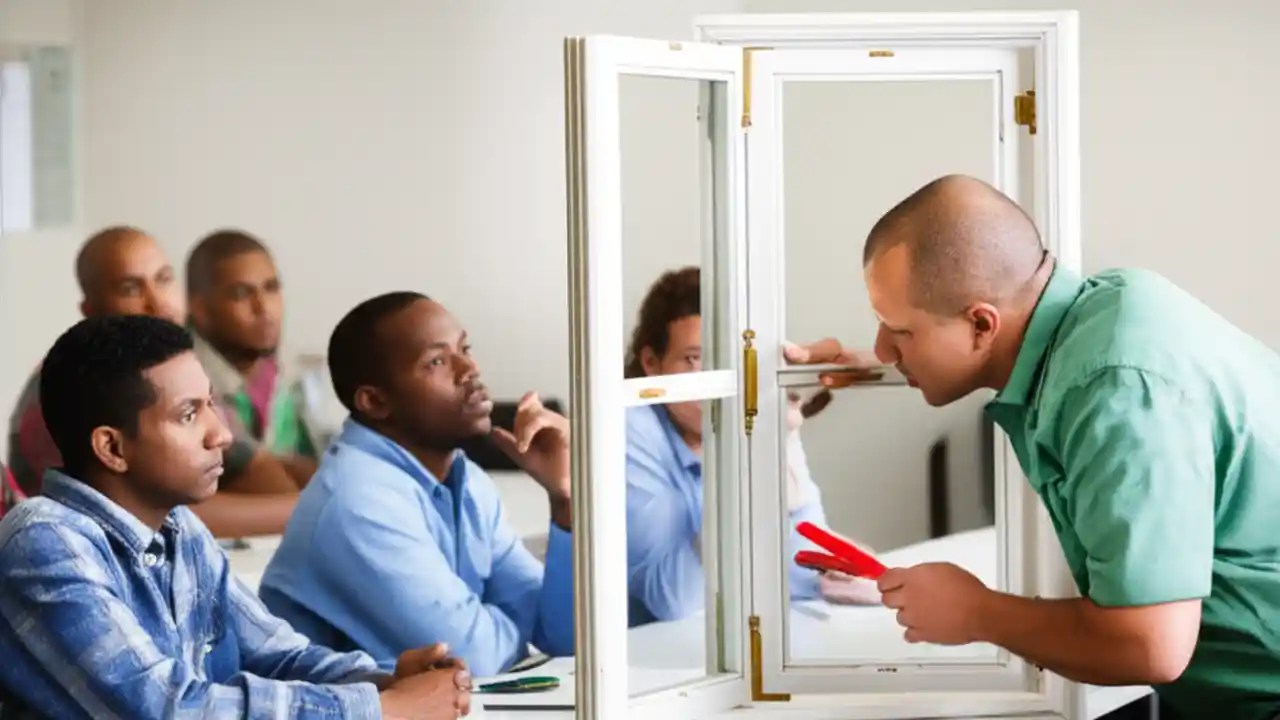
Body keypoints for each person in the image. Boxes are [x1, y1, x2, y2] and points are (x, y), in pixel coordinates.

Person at [788, 175, 1280, 720]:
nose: (883, 347)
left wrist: (976, 611)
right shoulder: (1112, 306)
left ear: (980, 323)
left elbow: (1151, 646)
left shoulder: (1116, 392)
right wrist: (880, 363)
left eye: (898, 332)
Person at [0, 314, 472, 719]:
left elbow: (279, 656)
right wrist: (383, 710)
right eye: (189, 415)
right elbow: (168, 709)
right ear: (112, 447)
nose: (221, 434)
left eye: (211, 404)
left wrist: (383, 682)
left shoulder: (179, 530)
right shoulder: (45, 542)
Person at [259, 292, 575, 677]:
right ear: (375, 401)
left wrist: (565, 501)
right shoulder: (358, 501)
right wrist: (520, 625)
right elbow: (475, 660)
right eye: (437, 361)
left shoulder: (467, 480)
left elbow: (567, 638)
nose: (470, 369)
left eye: (465, 348)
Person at [624, 267, 880, 626]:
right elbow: (675, 600)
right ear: (652, 363)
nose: (714, 383)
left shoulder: (751, 415)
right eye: (694, 359)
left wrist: (844, 566)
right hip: (646, 663)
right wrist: (748, 493)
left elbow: (801, 562)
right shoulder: (632, 427)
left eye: (727, 361)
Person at [5, 226, 299, 536]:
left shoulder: (167, 370)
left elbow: (250, 463)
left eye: (164, 279)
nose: (158, 304)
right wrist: (309, 510)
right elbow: (158, 514)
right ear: (91, 311)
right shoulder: (76, 385)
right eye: (131, 288)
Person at [187, 229, 335, 485]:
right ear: (200, 309)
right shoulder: (179, 378)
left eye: (271, 288)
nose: (264, 308)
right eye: (241, 294)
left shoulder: (304, 369)